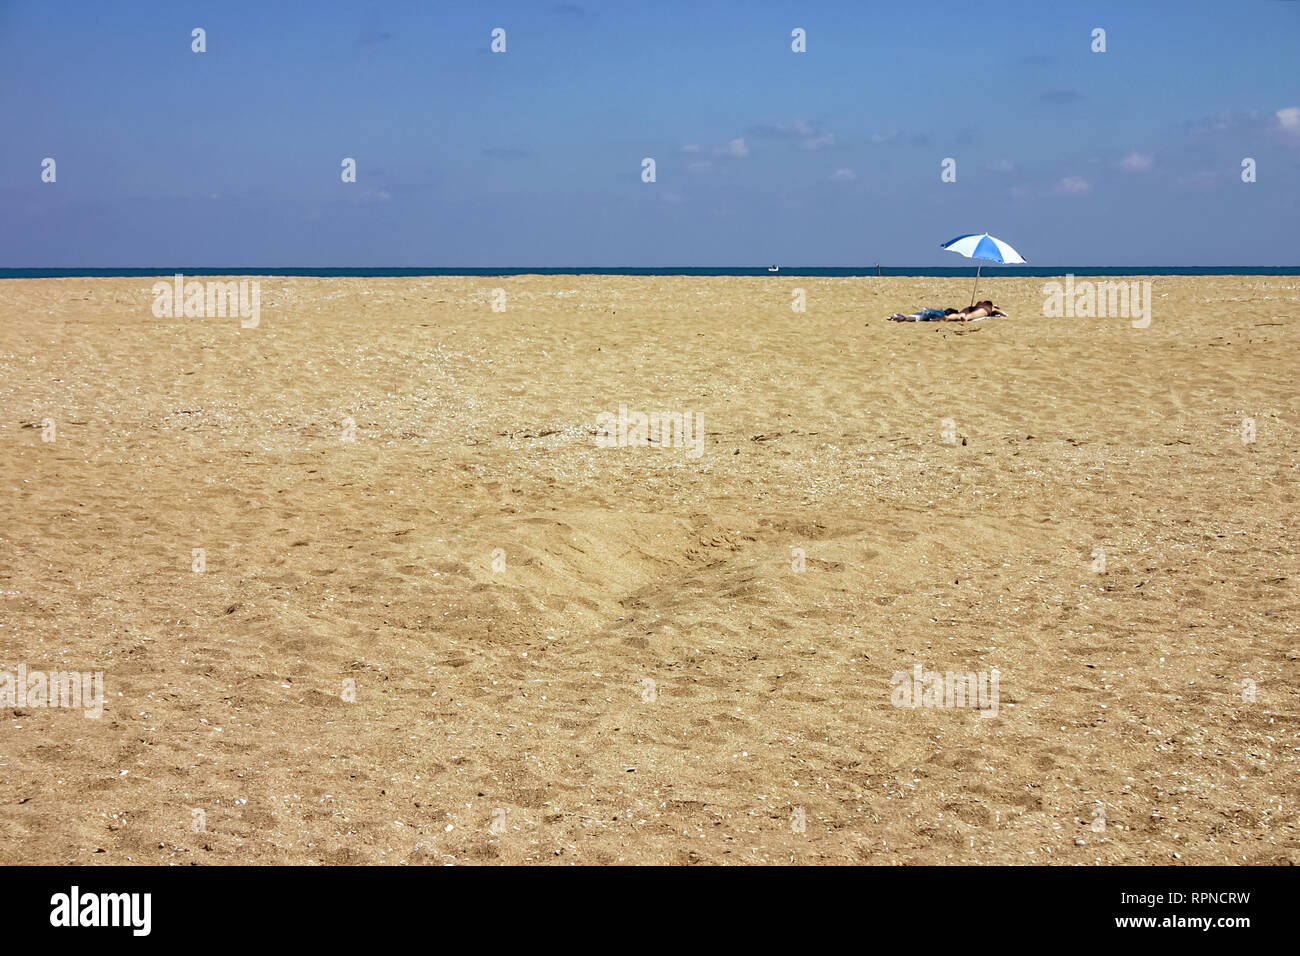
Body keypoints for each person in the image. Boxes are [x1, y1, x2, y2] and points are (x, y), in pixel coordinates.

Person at [940, 300, 1005, 321]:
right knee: (971, 315)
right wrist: (995, 308)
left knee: (959, 314)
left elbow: (977, 304)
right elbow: (1004, 314)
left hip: (972, 308)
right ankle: (966, 318)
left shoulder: (980, 302)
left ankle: (948, 317)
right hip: (983, 309)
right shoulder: (991, 307)